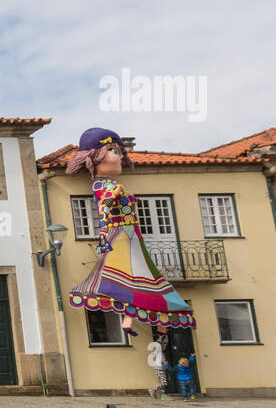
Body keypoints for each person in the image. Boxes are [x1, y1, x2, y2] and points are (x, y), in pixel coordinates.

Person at [65, 127, 196, 336]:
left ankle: (150, 322)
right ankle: (142, 321)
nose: (119, 158)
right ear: (94, 157)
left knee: (145, 279)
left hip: (131, 235)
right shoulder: (103, 185)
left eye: (119, 152)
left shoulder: (111, 185)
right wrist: (105, 232)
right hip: (121, 235)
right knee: (132, 279)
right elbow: (104, 208)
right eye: (113, 151)